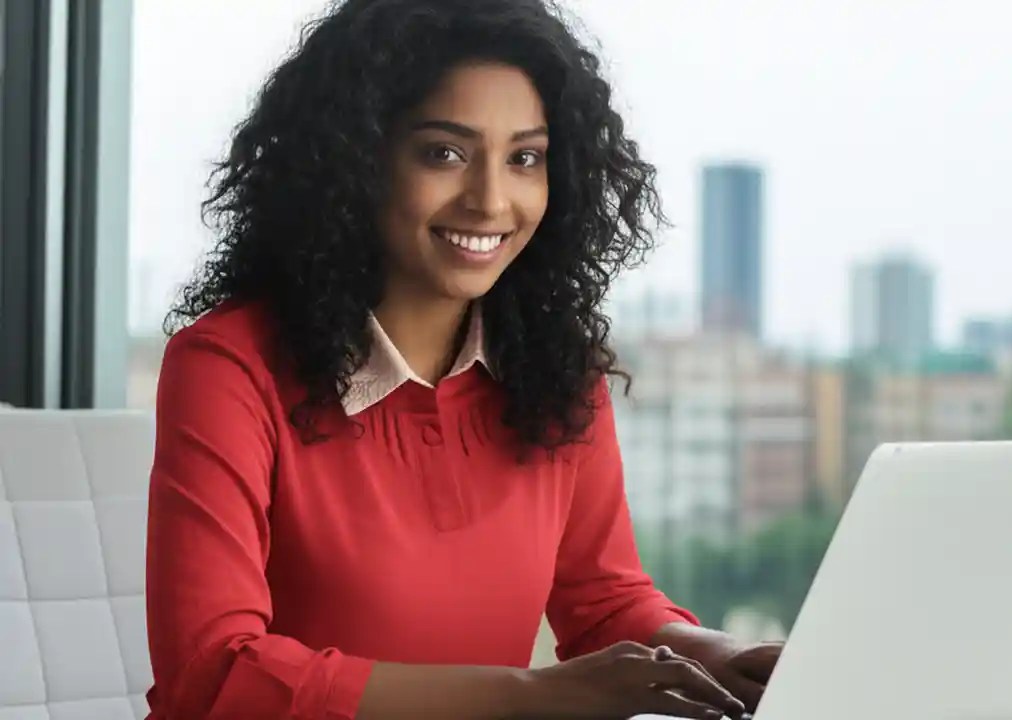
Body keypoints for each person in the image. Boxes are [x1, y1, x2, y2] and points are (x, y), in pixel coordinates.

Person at [144, 0, 782, 718]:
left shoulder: (556, 372)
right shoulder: (228, 366)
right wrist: (527, 698)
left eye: (525, 158)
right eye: (444, 152)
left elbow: (604, 601)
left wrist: (729, 658)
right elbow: (214, 673)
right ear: (357, 157)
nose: (490, 200)